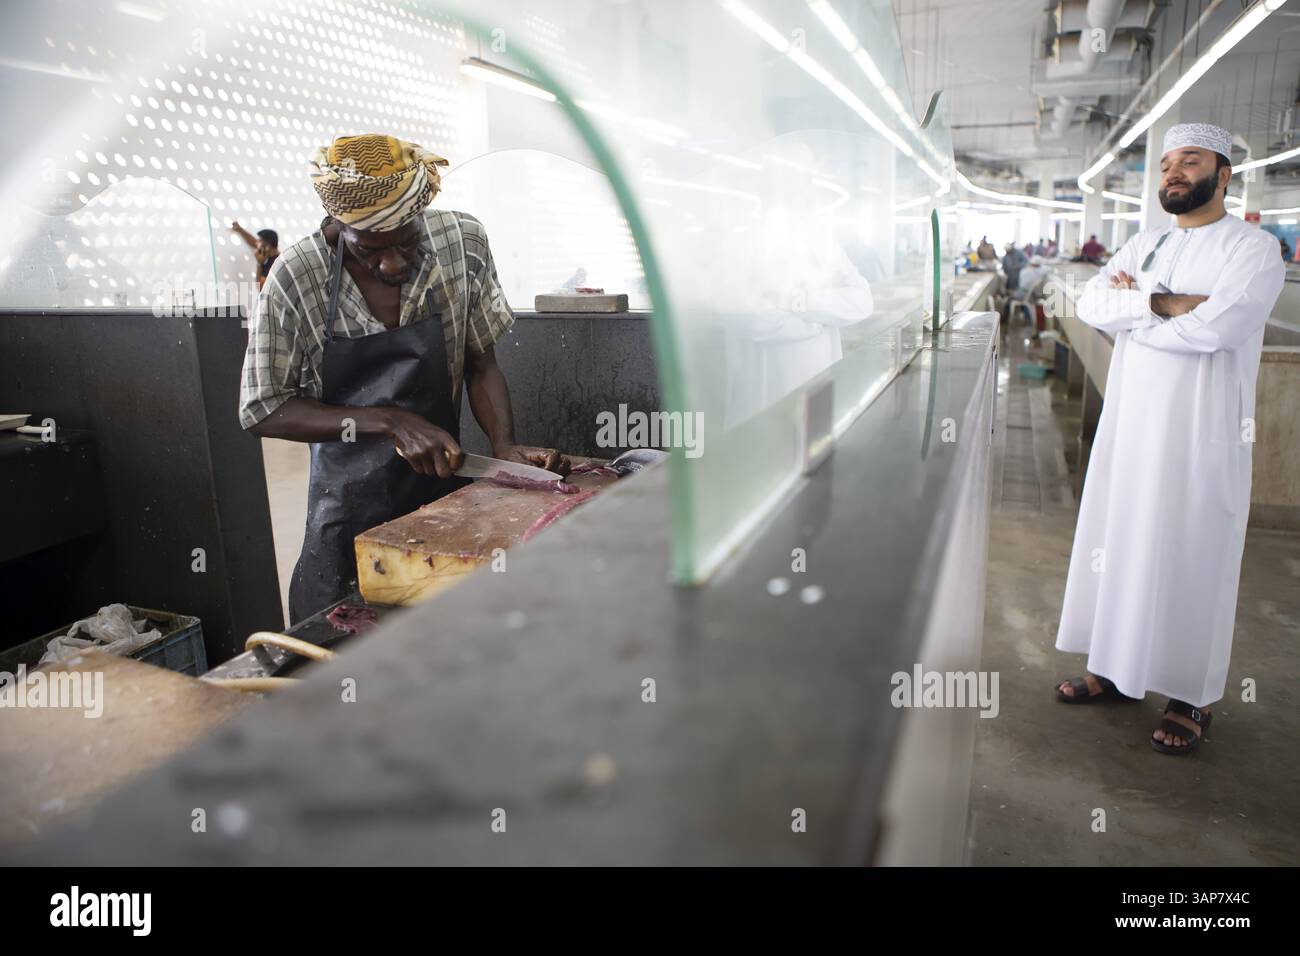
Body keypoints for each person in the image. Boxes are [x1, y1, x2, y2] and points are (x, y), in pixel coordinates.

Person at [238, 133, 569, 623]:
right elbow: (262, 407)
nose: (391, 263)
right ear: (338, 225)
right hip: (345, 517)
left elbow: (481, 362)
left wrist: (503, 446)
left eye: (406, 243)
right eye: (368, 249)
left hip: (443, 503)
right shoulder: (296, 276)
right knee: (343, 650)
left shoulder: (462, 243)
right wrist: (389, 421)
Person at [1053, 122, 1286, 755]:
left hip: (1200, 430)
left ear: (1224, 173)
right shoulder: (1146, 242)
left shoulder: (1254, 249)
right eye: (1166, 166)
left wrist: (1140, 314)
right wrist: (1166, 304)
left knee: (1193, 550)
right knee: (1122, 539)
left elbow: (1221, 326)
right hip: (1133, 426)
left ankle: (1192, 696)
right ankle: (1117, 670)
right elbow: (1093, 305)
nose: (1174, 174)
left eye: (1190, 161)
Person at [230, 221, 280, 290]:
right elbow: (253, 241)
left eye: (260, 242)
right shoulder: (274, 256)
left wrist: (259, 264)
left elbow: (260, 288)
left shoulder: (273, 264)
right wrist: (240, 229)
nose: (257, 244)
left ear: (267, 246)